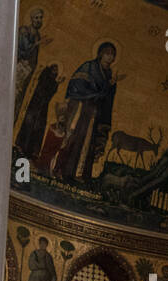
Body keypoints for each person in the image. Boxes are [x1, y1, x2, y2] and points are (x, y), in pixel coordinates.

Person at [58, 42, 123, 183]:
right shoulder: (89, 67)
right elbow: (76, 86)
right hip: (82, 111)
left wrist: (111, 86)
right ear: (100, 53)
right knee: (76, 139)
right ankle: (65, 171)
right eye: (107, 53)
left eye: (113, 54)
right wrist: (93, 94)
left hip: (95, 115)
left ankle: (80, 174)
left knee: (89, 144)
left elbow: (107, 98)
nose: (110, 57)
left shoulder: (109, 74)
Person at [14, 63, 60, 162]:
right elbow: (42, 91)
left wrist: (57, 83)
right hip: (35, 105)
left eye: (57, 70)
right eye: (54, 69)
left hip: (42, 109)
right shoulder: (44, 77)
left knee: (37, 129)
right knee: (29, 125)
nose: (56, 71)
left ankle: (31, 151)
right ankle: (22, 147)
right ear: (50, 69)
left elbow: (49, 95)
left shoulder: (52, 82)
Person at [15, 8, 51, 119]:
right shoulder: (24, 31)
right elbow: (23, 50)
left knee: (19, 99)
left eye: (41, 18)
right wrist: (38, 43)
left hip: (27, 72)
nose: (39, 20)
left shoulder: (37, 36)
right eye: (37, 17)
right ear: (31, 19)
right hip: (18, 69)